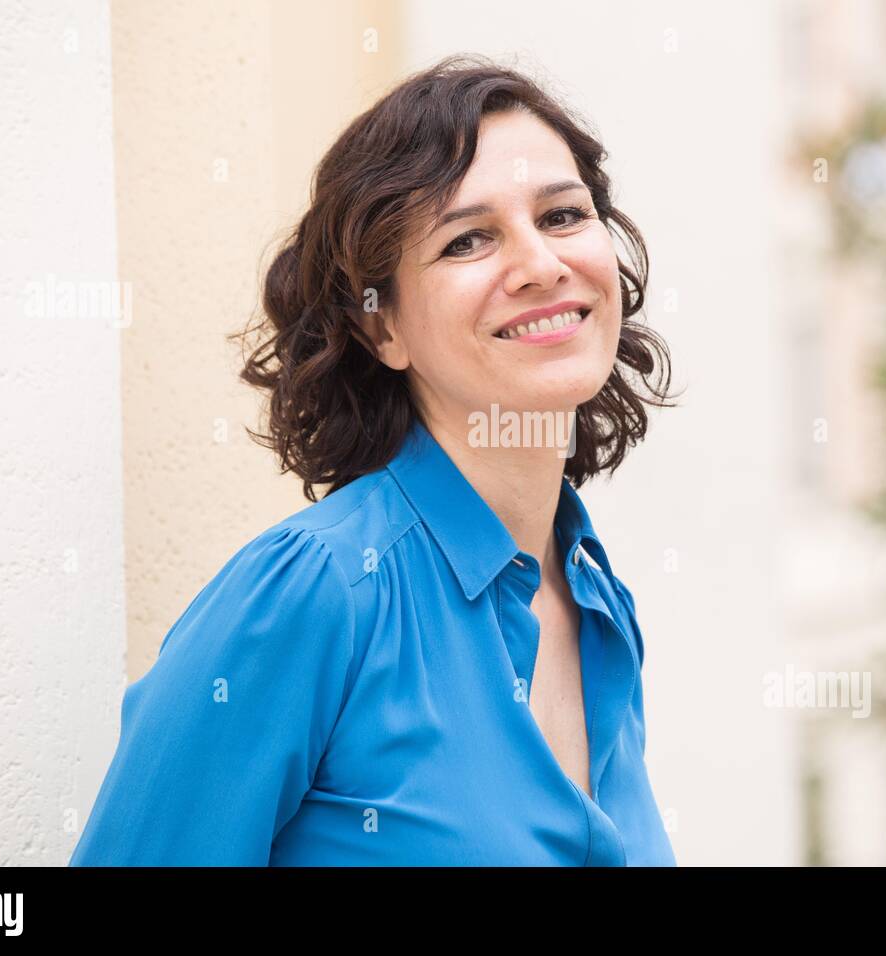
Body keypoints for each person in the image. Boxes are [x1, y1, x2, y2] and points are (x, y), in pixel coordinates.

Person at [70, 53, 678, 866]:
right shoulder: (313, 595)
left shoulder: (602, 605)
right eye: (469, 239)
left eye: (563, 216)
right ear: (380, 327)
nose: (541, 264)